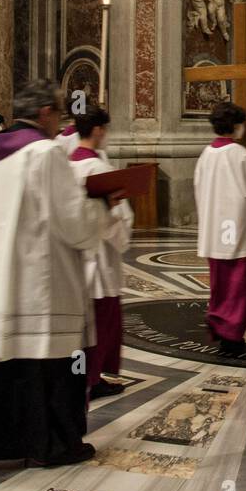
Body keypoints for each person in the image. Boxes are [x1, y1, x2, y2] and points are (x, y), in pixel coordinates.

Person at [0, 80, 120, 467]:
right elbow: (73, 224)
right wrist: (103, 204)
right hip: (37, 280)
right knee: (44, 364)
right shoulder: (46, 154)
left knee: (3, 363)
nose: (58, 124)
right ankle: (51, 445)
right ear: (45, 113)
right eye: (57, 114)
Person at [194, 101, 246, 356]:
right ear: (237, 125)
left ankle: (222, 326)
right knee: (243, 288)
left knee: (223, 286)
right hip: (241, 233)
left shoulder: (207, 155)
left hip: (216, 231)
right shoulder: (240, 156)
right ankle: (232, 337)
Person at [66, 105, 134, 399]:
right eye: (106, 129)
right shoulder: (100, 169)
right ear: (97, 130)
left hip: (74, 258)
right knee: (101, 326)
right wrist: (121, 227)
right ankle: (92, 379)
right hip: (100, 258)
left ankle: (82, 376)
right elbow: (119, 218)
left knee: (81, 328)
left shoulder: (64, 165)